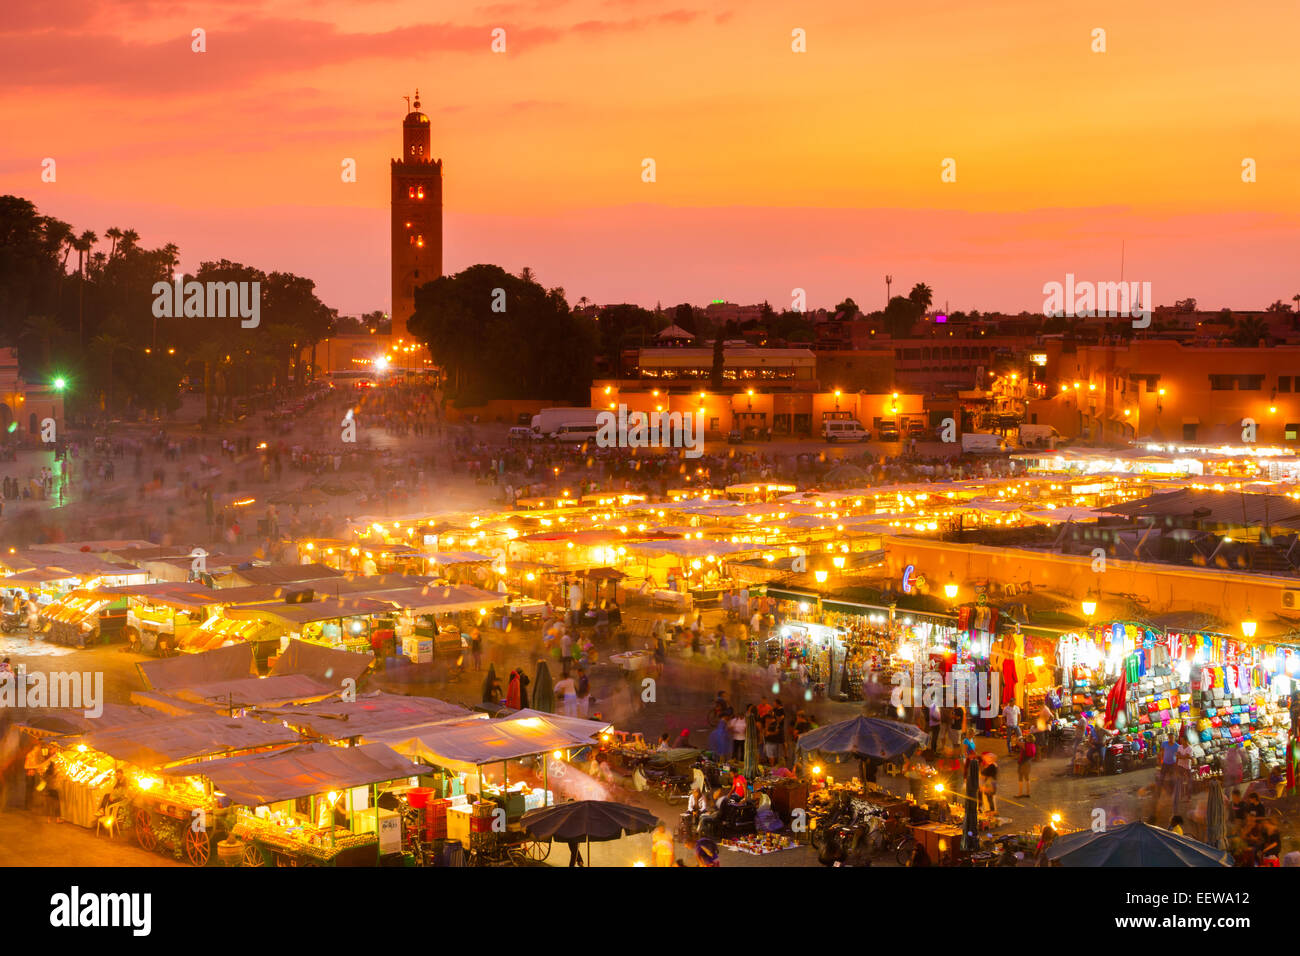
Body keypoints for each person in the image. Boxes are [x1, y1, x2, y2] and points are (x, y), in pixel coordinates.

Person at [1016, 730, 1036, 798]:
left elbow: (1017, 742)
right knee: (1027, 778)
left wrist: (1020, 737)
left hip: (1022, 763)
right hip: (1028, 763)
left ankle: (1020, 793)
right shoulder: (1033, 745)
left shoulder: (1024, 744)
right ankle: (1028, 793)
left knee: (1020, 778)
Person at [978, 752, 998, 818]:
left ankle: (992, 811)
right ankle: (991, 810)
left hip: (990, 784)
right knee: (989, 798)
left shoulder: (992, 766)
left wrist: (982, 785)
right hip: (991, 783)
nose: (986, 759)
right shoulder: (993, 765)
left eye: (988, 757)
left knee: (990, 798)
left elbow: (984, 774)